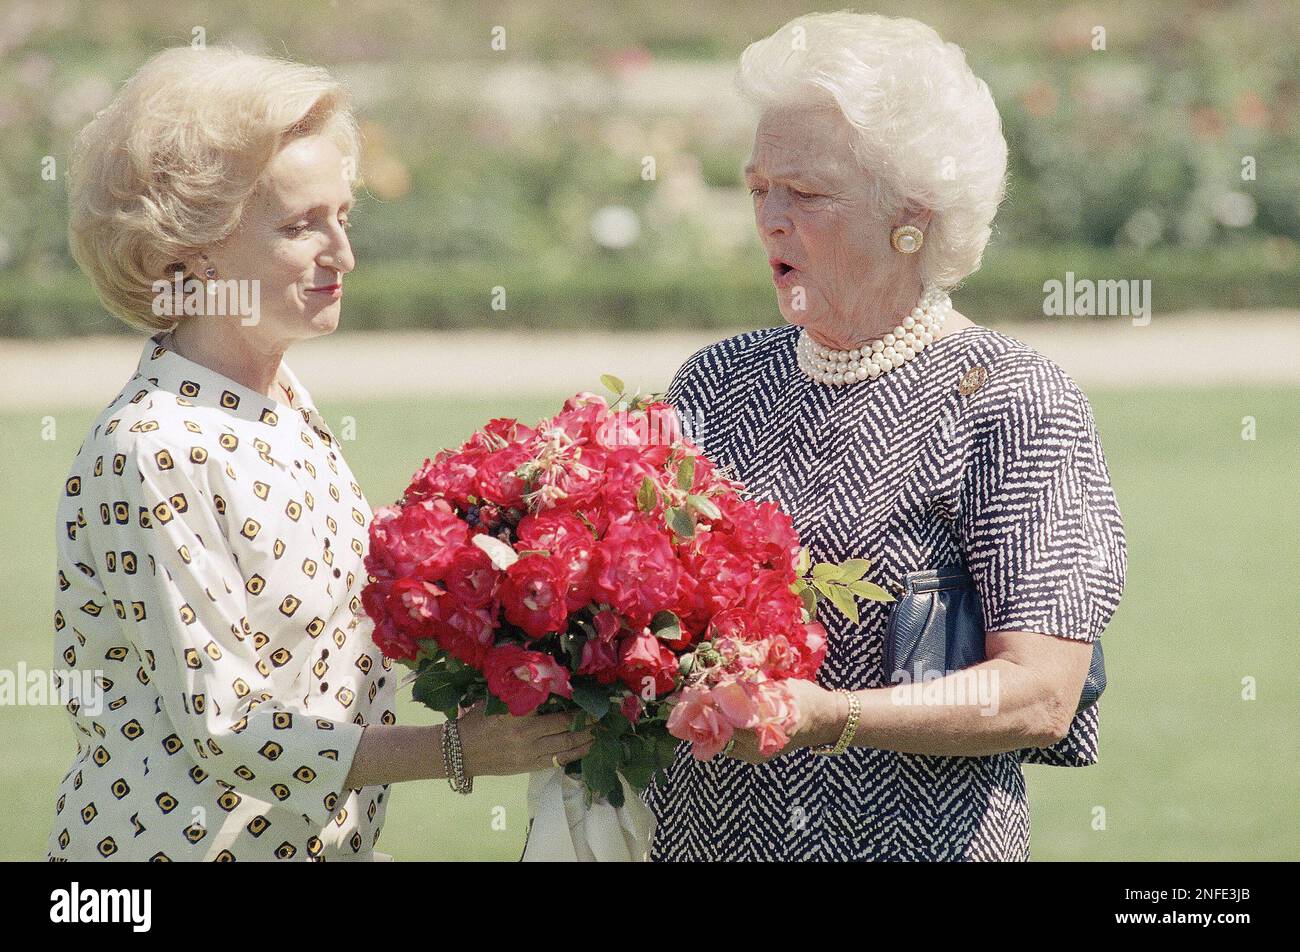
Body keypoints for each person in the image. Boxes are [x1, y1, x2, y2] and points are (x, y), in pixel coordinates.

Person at [48, 46, 590, 861]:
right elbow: (228, 732)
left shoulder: (278, 396)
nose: (343, 255)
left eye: (344, 217)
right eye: (302, 225)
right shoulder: (154, 442)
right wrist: (459, 753)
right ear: (193, 248)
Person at [646, 12, 1127, 861]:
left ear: (911, 217)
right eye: (759, 187)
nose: (769, 218)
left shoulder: (1010, 398)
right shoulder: (715, 382)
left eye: (807, 192)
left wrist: (834, 717)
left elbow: (1040, 693)